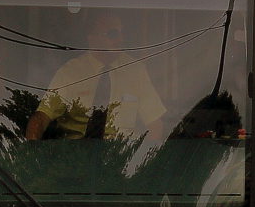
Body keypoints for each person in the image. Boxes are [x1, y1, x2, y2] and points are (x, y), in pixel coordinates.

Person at [24, 11, 165, 141]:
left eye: (122, 33)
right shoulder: (70, 73)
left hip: (122, 158)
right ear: (92, 38)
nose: (121, 39)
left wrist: (146, 161)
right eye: (113, 34)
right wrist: (32, 152)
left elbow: (155, 125)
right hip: (78, 160)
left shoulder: (136, 71)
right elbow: (42, 117)